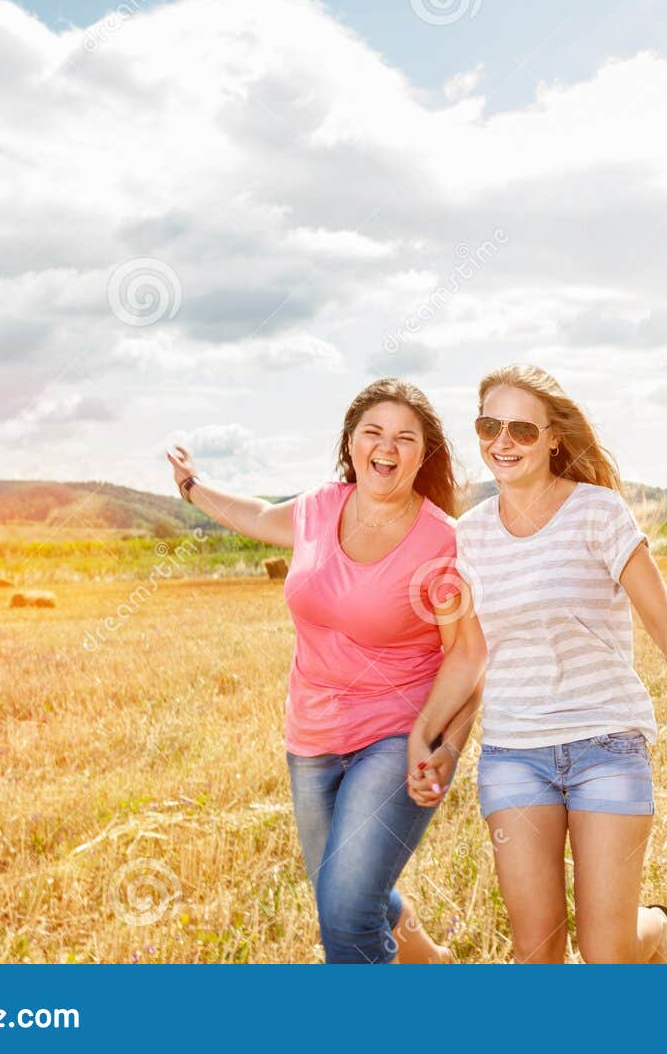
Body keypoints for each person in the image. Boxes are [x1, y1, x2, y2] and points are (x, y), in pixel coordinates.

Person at [406, 363, 667, 963]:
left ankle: (652, 932)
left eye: (522, 429)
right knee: (537, 956)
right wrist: (447, 745)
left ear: (553, 438)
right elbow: (469, 661)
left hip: (607, 746)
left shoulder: (598, 513)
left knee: (607, 959)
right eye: (489, 426)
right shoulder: (467, 538)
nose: (503, 442)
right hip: (513, 756)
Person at [166, 377, 483, 964]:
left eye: (404, 438)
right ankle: (432, 966)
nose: (386, 447)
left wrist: (450, 745)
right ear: (352, 443)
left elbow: (466, 657)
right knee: (342, 892)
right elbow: (258, 515)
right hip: (310, 737)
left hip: (398, 734)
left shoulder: (443, 544)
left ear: (423, 454)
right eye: (373, 432)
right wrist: (191, 486)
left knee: (345, 917)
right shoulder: (319, 508)